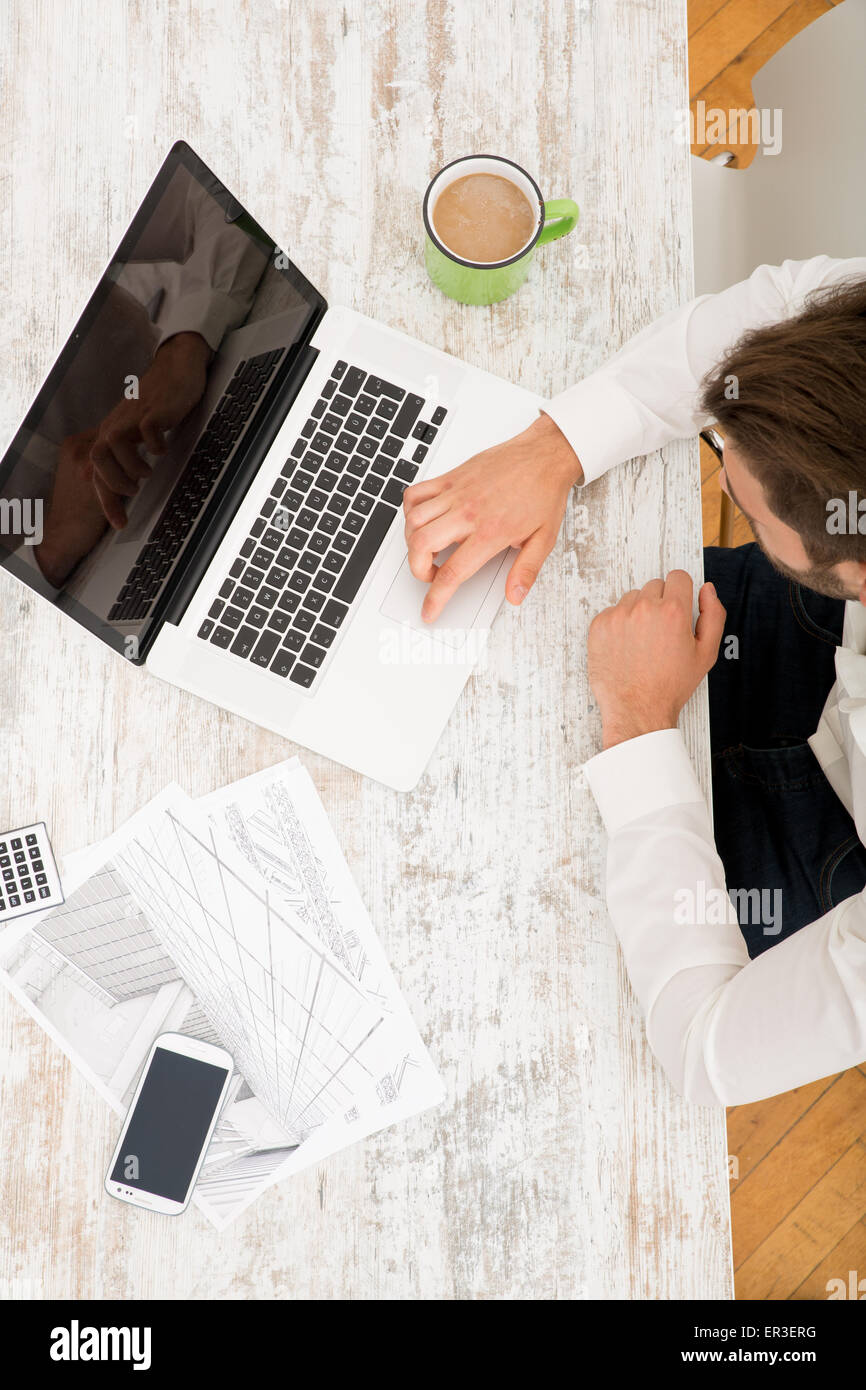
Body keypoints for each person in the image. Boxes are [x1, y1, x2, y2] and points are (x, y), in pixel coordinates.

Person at [402, 254, 866, 1106]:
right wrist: (556, 448)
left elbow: (703, 1049)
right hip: (821, 636)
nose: (721, 476)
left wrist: (640, 728)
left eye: (749, 510)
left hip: (832, 867)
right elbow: (775, 316)